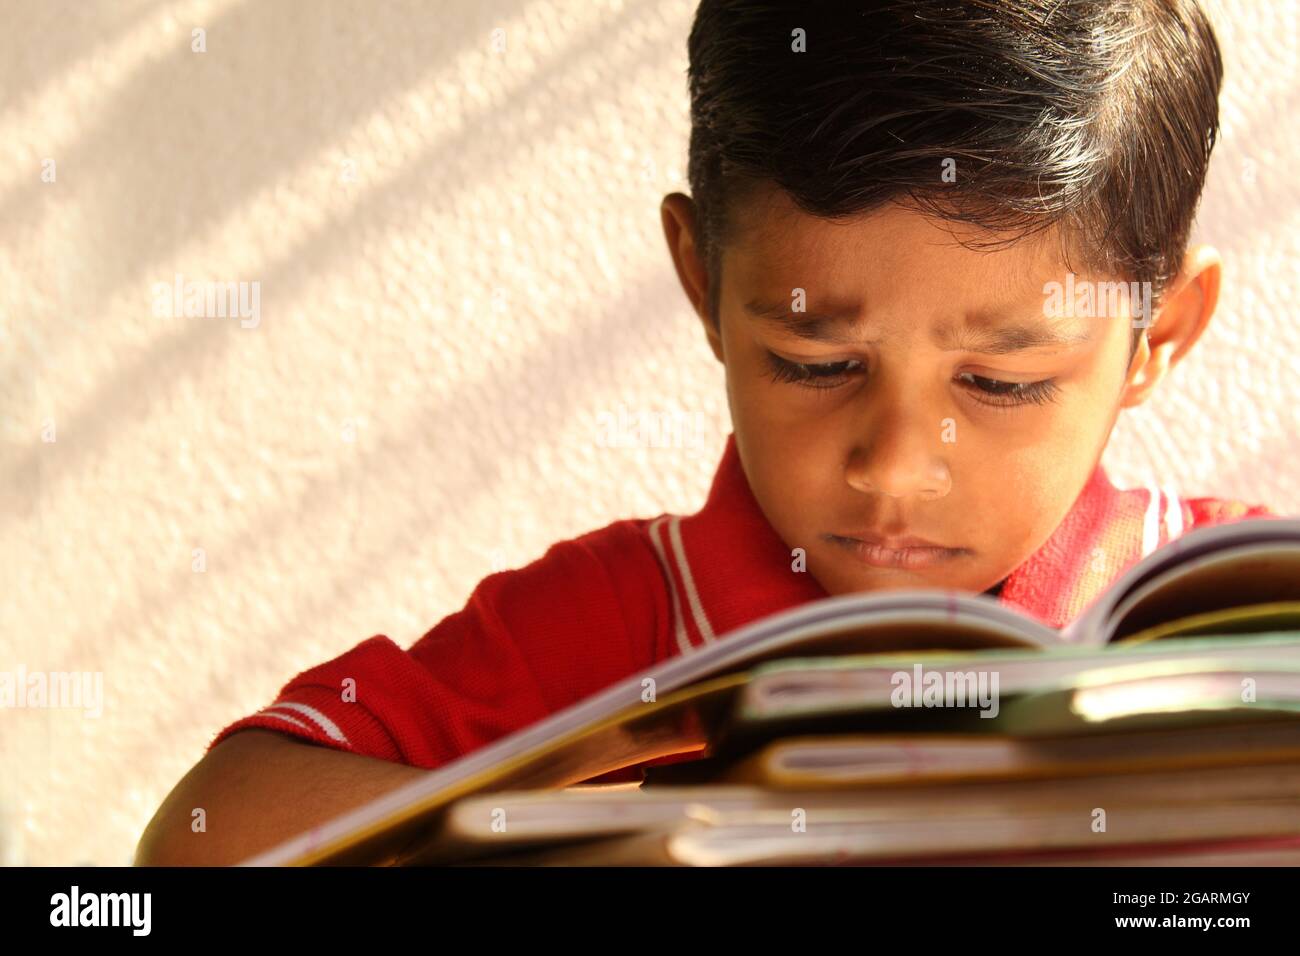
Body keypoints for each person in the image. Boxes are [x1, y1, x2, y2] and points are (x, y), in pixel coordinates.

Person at [136, 0, 1278, 866]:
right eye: (815, 362)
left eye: (998, 378)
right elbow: (204, 830)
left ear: (1155, 334)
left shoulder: (1240, 611)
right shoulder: (615, 621)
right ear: (702, 281)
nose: (893, 462)